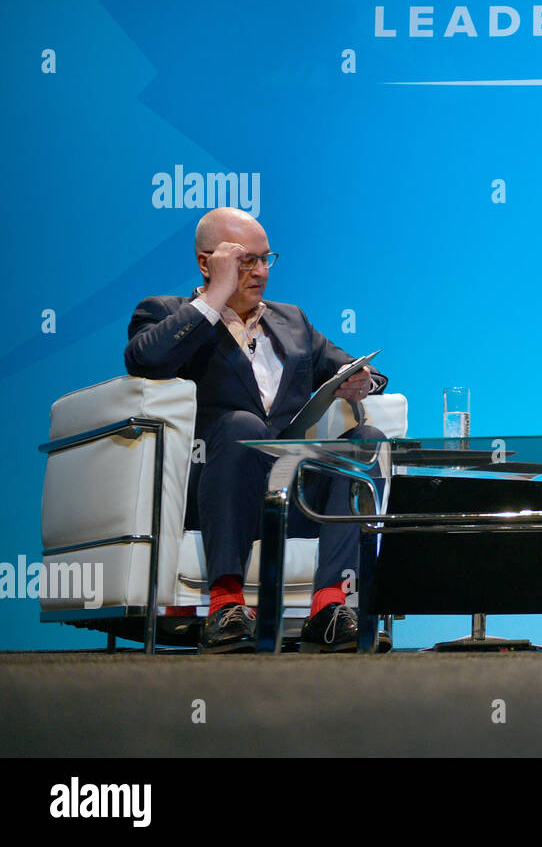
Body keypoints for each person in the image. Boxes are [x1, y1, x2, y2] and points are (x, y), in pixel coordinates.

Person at [125, 207, 389, 653]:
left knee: (367, 443)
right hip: (214, 493)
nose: (262, 272)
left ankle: (330, 609)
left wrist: (364, 380)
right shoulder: (167, 313)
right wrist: (215, 298)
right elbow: (144, 361)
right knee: (242, 425)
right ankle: (225, 606)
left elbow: (352, 365)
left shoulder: (293, 323)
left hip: (290, 497)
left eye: (267, 259)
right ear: (206, 262)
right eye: (246, 260)